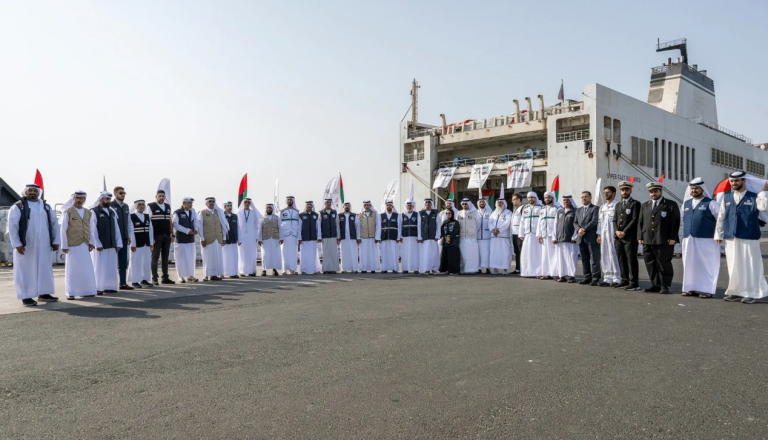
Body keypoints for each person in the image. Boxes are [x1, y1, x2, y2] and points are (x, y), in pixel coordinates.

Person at [715, 171, 768, 304]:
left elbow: (763, 207)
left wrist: (763, 192)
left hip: (749, 236)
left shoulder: (754, 196)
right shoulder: (726, 197)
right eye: (732, 181)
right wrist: (718, 233)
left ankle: (751, 293)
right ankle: (735, 292)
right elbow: (721, 217)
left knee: (750, 265)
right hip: (731, 236)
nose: (734, 183)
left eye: (737, 181)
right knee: (733, 265)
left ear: (744, 181)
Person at [638, 181, 680, 294]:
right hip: (647, 239)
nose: (653, 194)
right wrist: (640, 236)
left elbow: (675, 222)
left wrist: (673, 237)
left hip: (664, 239)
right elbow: (640, 222)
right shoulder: (645, 205)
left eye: (655, 191)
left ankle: (664, 285)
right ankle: (655, 284)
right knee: (649, 262)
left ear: (661, 191)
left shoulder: (670, 204)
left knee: (663, 263)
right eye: (651, 192)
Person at [681, 178, 720, 298]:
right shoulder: (686, 204)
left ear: (702, 189)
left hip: (706, 239)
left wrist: (719, 235)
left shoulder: (711, 203)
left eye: (696, 188)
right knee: (689, 264)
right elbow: (682, 219)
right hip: (689, 238)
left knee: (706, 264)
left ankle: (707, 290)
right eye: (692, 188)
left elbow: (720, 220)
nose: (694, 191)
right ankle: (690, 288)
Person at [60, 190, 97, 299]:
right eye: (77, 198)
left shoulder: (88, 212)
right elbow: (63, 229)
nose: (79, 200)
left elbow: (92, 229)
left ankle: (87, 290)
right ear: (73, 199)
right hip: (72, 245)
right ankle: (71, 292)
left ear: (84, 200)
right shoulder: (68, 212)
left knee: (86, 268)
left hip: (85, 244)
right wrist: (64, 245)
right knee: (73, 269)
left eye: (81, 198)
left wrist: (92, 243)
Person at [90, 191, 122, 295]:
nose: (109, 201)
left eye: (109, 199)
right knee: (99, 267)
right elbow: (92, 230)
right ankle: (98, 287)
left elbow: (116, 228)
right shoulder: (94, 211)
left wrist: (118, 243)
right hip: (100, 245)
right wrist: (97, 243)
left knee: (111, 266)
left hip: (111, 244)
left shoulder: (112, 212)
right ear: (100, 199)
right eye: (106, 199)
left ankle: (110, 286)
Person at [613, 181, 641, 290]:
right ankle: (624, 280)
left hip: (629, 237)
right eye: (623, 190)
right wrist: (616, 231)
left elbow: (635, 220)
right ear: (620, 191)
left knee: (631, 259)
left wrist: (624, 231)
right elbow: (614, 220)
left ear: (630, 190)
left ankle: (634, 282)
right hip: (619, 237)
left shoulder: (635, 204)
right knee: (621, 259)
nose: (624, 192)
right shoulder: (618, 205)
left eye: (626, 190)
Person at [197, 197, 228, 281]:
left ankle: (214, 275)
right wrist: (202, 239)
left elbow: (223, 226)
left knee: (216, 257)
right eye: (209, 201)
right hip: (207, 239)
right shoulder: (202, 213)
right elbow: (200, 227)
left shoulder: (219, 212)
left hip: (217, 238)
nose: (211, 203)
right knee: (207, 257)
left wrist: (224, 237)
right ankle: (206, 275)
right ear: (206, 203)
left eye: (213, 202)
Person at [148, 189, 174, 285]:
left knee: (165, 256)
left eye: (163, 196)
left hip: (166, 235)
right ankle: (154, 278)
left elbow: (170, 221)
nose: (161, 197)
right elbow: (149, 222)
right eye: (160, 196)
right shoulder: (151, 206)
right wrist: (151, 237)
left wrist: (172, 233)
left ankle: (165, 277)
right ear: (156, 196)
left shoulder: (167, 206)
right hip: (156, 236)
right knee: (155, 256)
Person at [574, 191, 601, 286]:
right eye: (582, 197)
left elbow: (594, 221)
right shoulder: (578, 210)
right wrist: (578, 229)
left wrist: (583, 229)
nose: (583, 198)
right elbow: (575, 222)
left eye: (586, 197)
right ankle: (587, 277)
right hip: (581, 238)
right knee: (584, 259)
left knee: (594, 259)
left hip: (591, 237)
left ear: (590, 198)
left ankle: (595, 278)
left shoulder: (595, 208)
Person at [596, 186, 621, 287]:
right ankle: (607, 277)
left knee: (614, 254)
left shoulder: (617, 205)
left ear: (614, 193)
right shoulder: (602, 207)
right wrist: (599, 234)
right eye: (605, 192)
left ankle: (617, 277)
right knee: (605, 254)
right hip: (603, 234)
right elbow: (599, 222)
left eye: (608, 192)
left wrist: (616, 234)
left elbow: (619, 221)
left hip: (612, 234)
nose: (606, 194)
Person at [111, 186, 134, 291]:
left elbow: (129, 222)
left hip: (124, 238)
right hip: (113, 239)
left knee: (123, 262)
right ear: (115, 194)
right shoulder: (110, 205)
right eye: (121, 193)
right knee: (111, 262)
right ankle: (110, 284)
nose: (123, 195)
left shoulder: (126, 207)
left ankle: (123, 283)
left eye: (124, 193)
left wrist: (129, 236)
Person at [128, 200, 154, 289]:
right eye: (139, 204)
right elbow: (131, 231)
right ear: (135, 206)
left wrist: (151, 243)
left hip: (146, 243)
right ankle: (135, 280)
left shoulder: (147, 217)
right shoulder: (132, 217)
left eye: (143, 205)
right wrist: (133, 244)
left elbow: (151, 230)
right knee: (135, 262)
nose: (141, 206)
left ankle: (144, 279)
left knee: (146, 262)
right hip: (136, 244)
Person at [553, 195, 579, 283]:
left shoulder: (575, 211)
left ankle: (571, 276)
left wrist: (574, 237)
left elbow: (577, 225)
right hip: (560, 239)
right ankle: (562, 275)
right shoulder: (559, 212)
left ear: (571, 201)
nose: (565, 202)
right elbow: (555, 225)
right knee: (561, 259)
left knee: (571, 258)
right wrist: (554, 237)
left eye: (567, 200)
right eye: (564, 200)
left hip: (570, 239)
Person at [173, 197, 199, 283]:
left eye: (191, 203)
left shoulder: (192, 212)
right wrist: (187, 231)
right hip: (181, 239)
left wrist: (195, 230)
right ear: (184, 203)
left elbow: (195, 222)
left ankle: (190, 275)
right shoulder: (177, 213)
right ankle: (180, 276)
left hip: (190, 239)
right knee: (180, 259)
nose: (190, 205)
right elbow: (175, 225)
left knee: (191, 258)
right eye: (189, 203)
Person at [518, 192, 543, 278]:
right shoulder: (526, 208)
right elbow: (522, 221)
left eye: (532, 197)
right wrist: (521, 233)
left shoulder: (541, 207)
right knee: (527, 254)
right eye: (529, 198)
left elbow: (542, 222)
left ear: (536, 198)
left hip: (537, 235)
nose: (530, 199)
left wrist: (540, 233)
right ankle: (527, 272)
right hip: (527, 234)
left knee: (537, 254)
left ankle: (538, 272)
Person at [536, 192, 560, 280]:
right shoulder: (542, 209)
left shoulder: (557, 208)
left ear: (553, 198)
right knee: (545, 255)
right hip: (544, 235)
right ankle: (546, 273)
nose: (547, 199)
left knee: (554, 255)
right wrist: (539, 234)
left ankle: (557, 273)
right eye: (545, 197)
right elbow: (539, 222)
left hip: (553, 235)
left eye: (549, 197)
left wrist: (556, 235)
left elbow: (559, 223)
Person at [489, 196, 513, 275]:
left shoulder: (508, 212)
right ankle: (495, 268)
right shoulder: (493, 213)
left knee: (505, 253)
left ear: (504, 204)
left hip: (504, 236)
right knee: (494, 253)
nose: (499, 204)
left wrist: (499, 230)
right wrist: (493, 229)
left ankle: (505, 269)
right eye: (498, 202)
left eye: (501, 202)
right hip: (494, 237)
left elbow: (507, 223)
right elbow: (490, 222)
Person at [238, 198, 262, 277]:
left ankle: (252, 270)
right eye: (245, 202)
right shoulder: (239, 212)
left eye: (248, 202)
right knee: (242, 253)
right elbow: (237, 226)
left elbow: (257, 224)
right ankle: (242, 270)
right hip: (242, 236)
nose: (247, 203)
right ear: (243, 203)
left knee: (251, 253)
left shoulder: (253, 212)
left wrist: (256, 236)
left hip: (251, 236)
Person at [457, 198, 481, 274]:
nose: (464, 205)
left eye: (466, 204)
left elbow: (478, 224)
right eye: (463, 204)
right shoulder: (459, 213)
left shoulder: (475, 212)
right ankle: (463, 269)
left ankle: (472, 269)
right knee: (463, 254)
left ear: (469, 204)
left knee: (471, 254)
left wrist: (473, 231)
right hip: (462, 237)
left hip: (471, 237)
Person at [418, 198, 441, 274]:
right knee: (425, 254)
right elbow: (419, 226)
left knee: (434, 254)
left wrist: (437, 235)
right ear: (424, 204)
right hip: (424, 238)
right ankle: (426, 269)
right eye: (426, 203)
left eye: (429, 203)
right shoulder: (421, 214)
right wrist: (420, 237)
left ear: (431, 204)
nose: (427, 204)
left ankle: (434, 269)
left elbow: (438, 225)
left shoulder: (435, 213)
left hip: (433, 237)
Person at [298, 201, 321, 275]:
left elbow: (318, 227)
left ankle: (314, 269)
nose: (309, 206)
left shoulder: (316, 215)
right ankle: (304, 270)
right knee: (304, 255)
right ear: (306, 206)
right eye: (307, 205)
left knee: (313, 254)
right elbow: (299, 228)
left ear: (312, 206)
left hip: (313, 238)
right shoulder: (301, 215)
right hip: (304, 238)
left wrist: (319, 237)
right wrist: (299, 238)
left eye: (310, 205)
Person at [259, 203, 282, 276]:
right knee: (265, 255)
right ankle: (264, 270)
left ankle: (274, 269)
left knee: (274, 254)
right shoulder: (262, 218)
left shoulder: (276, 218)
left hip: (275, 239)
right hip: (265, 239)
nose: (269, 209)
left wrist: (281, 238)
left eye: (270, 208)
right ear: (266, 209)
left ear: (272, 209)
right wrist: (259, 239)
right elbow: (259, 229)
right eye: (267, 208)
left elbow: (280, 228)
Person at [280, 196, 300, 275]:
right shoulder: (282, 211)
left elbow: (299, 225)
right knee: (284, 252)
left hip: (294, 235)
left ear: (293, 201)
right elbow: (279, 225)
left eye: (290, 200)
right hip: (285, 236)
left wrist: (299, 237)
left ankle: (292, 269)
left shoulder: (296, 212)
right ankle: (284, 269)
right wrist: (280, 237)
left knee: (293, 253)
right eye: (288, 200)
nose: (289, 201)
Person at [338, 202, 360, 273]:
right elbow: (338, 227)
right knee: (344, 253)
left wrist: (358, 237)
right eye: (345, 205)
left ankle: (355, 268)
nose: (347, 207)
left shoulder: (354, 215)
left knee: (353, 253)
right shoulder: (339, 216)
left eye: (348, 205)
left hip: (352, 237)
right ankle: (344, 268)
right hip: (343, 237)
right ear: (343, 207)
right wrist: (338, 237)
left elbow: (357, 227)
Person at [359, 200, 381, 273]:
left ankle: (373, 268)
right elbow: (358, 227)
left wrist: (377, 237)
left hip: (373, 237)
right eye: (365, 205)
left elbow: (378, 225)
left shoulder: (375, 213)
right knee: (364, 254)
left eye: (368, 205)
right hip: (363, 237)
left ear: (370, 205)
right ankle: (364, 268)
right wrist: (358, 237)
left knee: (373, 254)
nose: (366, 206)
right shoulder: (360, 214)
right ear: (363, 206)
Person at [379, 201, 401, 273]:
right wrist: (379, 237)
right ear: (386, 207)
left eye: (390, 205)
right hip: (384, 237)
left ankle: (395, 269)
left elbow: (399, 227)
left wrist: (398, 237)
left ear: (392, 207)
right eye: (387, 205)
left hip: (393, 237)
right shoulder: (381, 216)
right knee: (384, 254)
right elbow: (379, 227)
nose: (388, 206)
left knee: (394, 254)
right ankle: (384, 269)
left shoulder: (397, 215)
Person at [319, 199, 340, 274]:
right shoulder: (321, 213)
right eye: (327, 202)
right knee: (326, 253)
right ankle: (326, 269)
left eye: (329, 202)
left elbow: (337, 224)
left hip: (333, 235)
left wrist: (338, 236)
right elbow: (319, 225)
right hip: (325, 236)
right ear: (324, 203)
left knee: (333, 253)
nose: (328, 204)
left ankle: (333, 268)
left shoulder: (334, 212)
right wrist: (319, 236)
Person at [400, 200, 420, 274]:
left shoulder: (417, 214)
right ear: (406, 206)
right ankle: (405, 268)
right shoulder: (402, 215)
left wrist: (419, 237)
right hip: (405, 237)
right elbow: (400, 226)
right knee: (405, 253)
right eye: (408, 206)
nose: (409, 207)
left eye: (410, 205)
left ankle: (415, 269)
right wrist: (400, 236)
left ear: (413, 206)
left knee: (414, 253)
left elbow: (419, 226)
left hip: (414, 236)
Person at [439, 208, 461, 274]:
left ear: (452, 214)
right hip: (445, 241)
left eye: (449, 213)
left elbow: (455, 231)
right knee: (445, 256)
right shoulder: (445, 222)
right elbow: (442, 230)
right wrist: (445, 237)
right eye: (447, 213)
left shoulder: (456, 222)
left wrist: (449, 238)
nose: (448, 214)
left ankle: (453, 270)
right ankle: (445, 269)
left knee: (453, 256)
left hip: (453, 241)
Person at [222, 201, 240, 279]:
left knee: (233, 258)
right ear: (225, 207)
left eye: (230, 205)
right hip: (225, 241)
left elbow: (238, 228)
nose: (229, 207)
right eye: (228, 206)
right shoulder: (221, 216)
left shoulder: (235, 216)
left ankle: (233, 273)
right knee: (224, 258)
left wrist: (239, 238)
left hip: (233, 240)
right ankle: (223, 273)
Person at [476, 197, 493, 274]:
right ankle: (479, 268)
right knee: (478, 253)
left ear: (485, 203)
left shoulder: (490, 212)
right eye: (480, 202)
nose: (481, 203)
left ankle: (487, 268)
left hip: (487, 236)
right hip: (478, 236)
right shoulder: (476, 212)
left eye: (483, 202)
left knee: (487, 253)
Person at [510, 193, 523, 274]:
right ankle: (517, 268)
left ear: (519, 199)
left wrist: (522, 233)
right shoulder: (515, 209)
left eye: (514, 199)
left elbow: (523, 221)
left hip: (519, 234)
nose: (513, 201)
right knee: (516, 252)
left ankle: (523, 268)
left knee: (521, 251)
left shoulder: (522, 208)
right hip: (514, 233)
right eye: (512, 200)